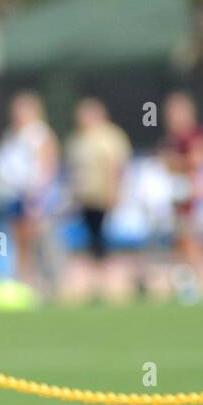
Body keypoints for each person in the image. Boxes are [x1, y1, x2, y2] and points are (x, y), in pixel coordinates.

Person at [0, 92, 61, 297]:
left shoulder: (39, 133)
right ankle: (24, 282)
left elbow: (47, 165)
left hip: (35, 198)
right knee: (19, 241)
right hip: (15, 196)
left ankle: (47, 283)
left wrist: (38, 195)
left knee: (38, 240)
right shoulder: (12, 134)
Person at [65, 98, 131, 303]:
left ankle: (113, 286)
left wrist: (114, 192)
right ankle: (96, 286)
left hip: (104, 197)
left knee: (106, 242)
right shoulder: (77, 139)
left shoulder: (109, 136)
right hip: (86, 199)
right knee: (92, 243)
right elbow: (73, 171)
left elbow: (116, 166)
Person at [160, 91, 203, 302]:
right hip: (178, 198)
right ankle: (188, 281)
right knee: (181, 241)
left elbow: (198, 159)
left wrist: (180, 162)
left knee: (194, 239)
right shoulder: (172, 140)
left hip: (194, 197)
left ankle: (200, 282)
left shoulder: (196, 135)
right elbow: (167, 163)